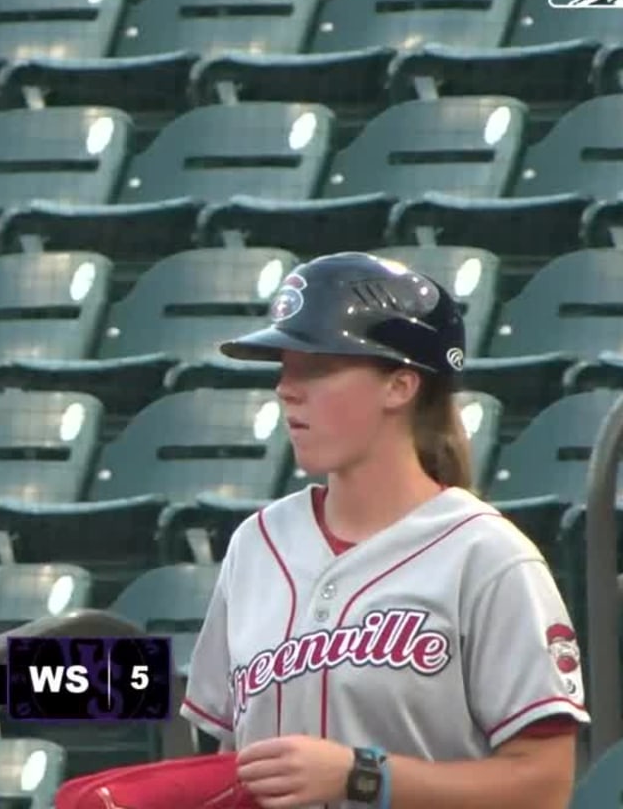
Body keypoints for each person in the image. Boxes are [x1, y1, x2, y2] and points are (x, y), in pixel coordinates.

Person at [169, 252, 590, 809]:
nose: (286, 389)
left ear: (400, 386)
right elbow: (229, 760)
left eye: (315, 367)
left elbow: (544, 785)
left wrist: (363, 775)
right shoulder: (257, 544)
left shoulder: (487, 556)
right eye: (284, 367)